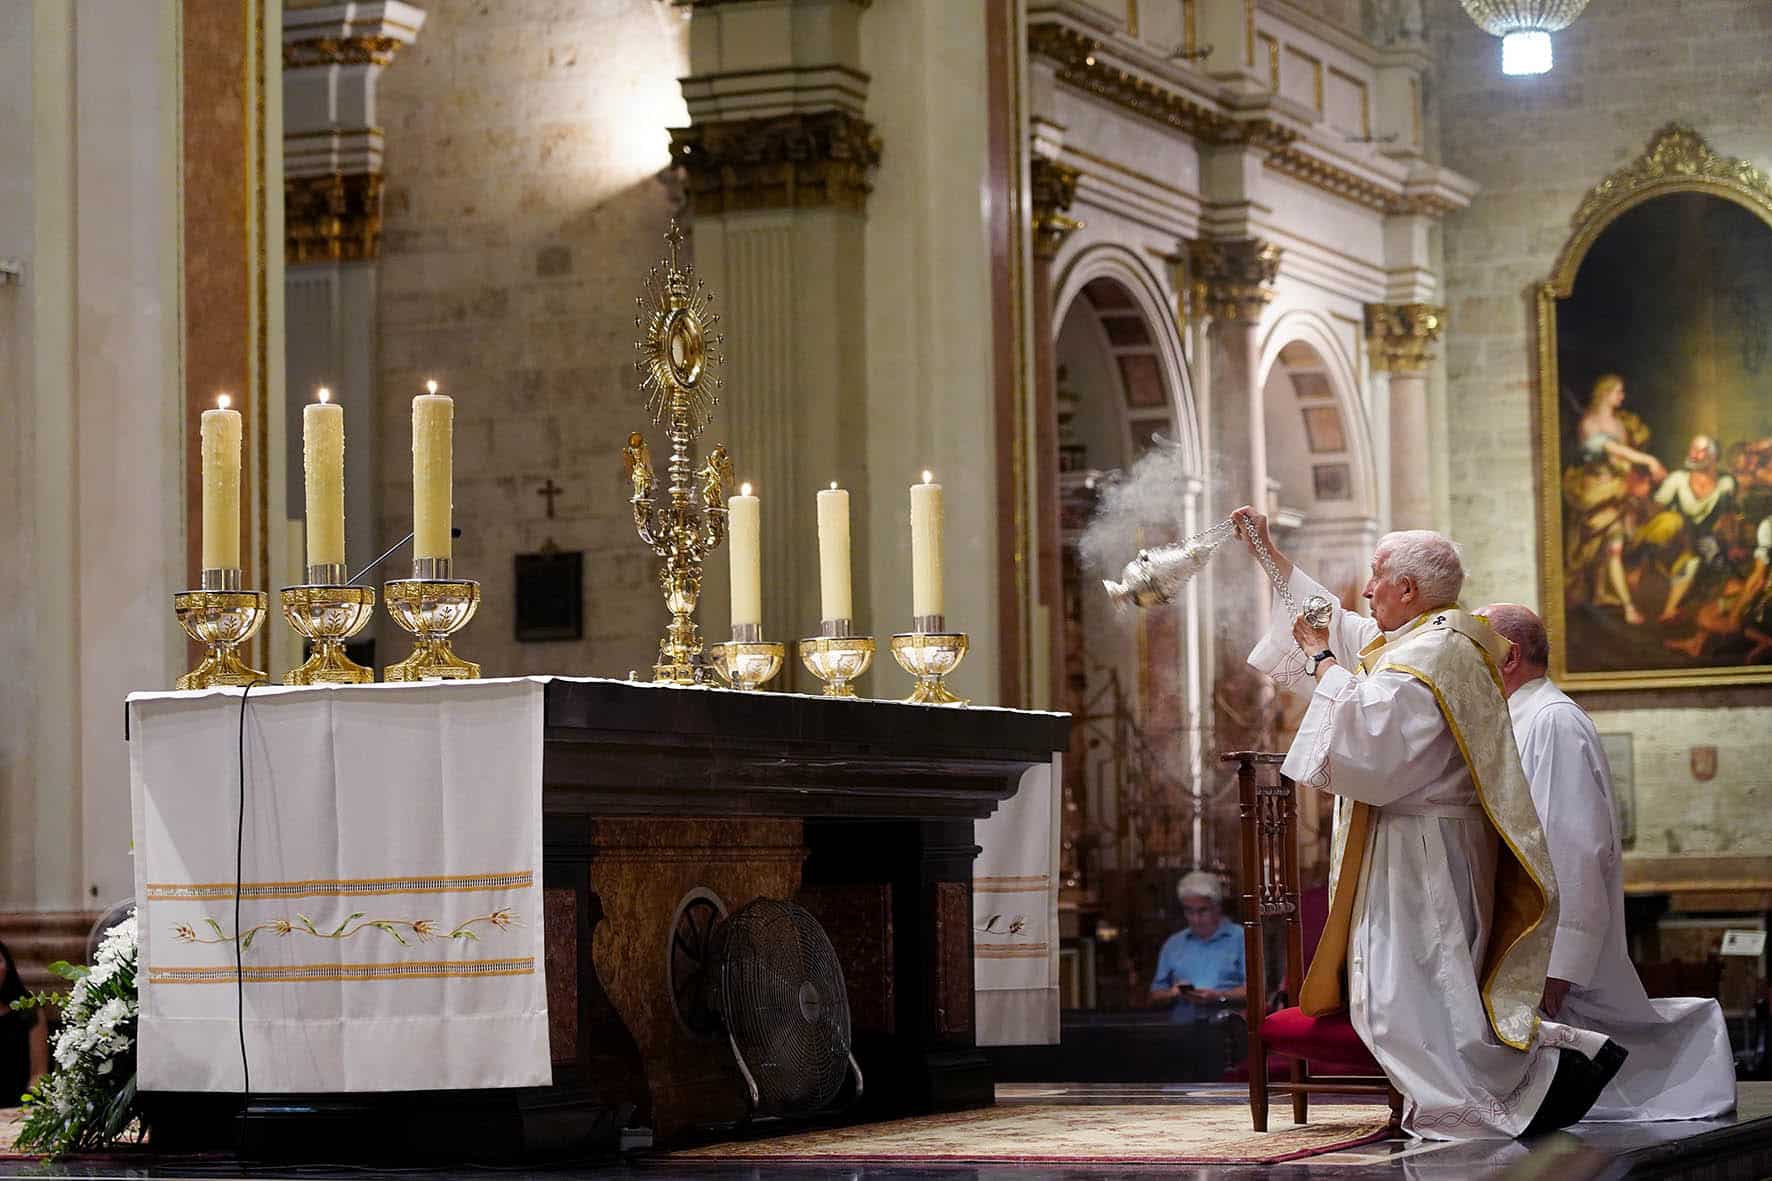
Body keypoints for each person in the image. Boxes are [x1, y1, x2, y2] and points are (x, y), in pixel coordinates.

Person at [1234, 506, 1625, 1140]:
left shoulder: (1436, 654)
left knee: (1411, 997)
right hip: (1415, 846)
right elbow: (1330, 621)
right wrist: (1268, 555)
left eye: (1376, 577)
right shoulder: (1427, 641)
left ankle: (1500, 1094)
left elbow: (1372, 743)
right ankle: (1521, 1078)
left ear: (1408, 590)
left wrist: (1321, 665)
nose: (1365, 591)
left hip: (1421, 852)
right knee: (1415, 993)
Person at [1483, 603, 1736, 1122]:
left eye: (1475, 647)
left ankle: (1692, 1069)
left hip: (1550, 946)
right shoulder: (1520, 718)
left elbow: (1573, 845)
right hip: (1526, 933)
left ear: (1509, 656)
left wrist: (1558, 967)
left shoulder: (1552, 722)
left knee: (1600, 1054)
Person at [1562, 375, 1664, 625]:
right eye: (1618, 391)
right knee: (1599, 549)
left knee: (1613, 548)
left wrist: (1637, 482)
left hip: (1619, 492)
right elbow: (1610, 449)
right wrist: (1648, 461)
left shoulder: (1620, 424)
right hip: (1595, 492)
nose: (1622, 396)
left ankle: (1609, 597)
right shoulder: (1589, 423)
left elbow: (1624, 456)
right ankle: (1617, 601)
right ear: (1605, 393)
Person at [1638, 435, 1738, 623]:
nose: (1694, 454)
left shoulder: (1726, 483)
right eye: (1693, 449)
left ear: (1715, 457)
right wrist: (1644, 497)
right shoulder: (1678, 479)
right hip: (1674, 541)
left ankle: (1669, 610)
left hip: (1701, 543)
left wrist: (1732, 544)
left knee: (1697, 562)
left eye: (1702, 450)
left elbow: (1728, 518)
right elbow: (1654, 514)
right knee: (1672, 521)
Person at [1149, 870, 1246, 1024]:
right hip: (1183, 1032)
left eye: (1202, 910)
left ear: (1217, 907)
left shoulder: (1241, 938)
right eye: (1189, 911)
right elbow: (1155, 994)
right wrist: (1173, 993)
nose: (1195, 918)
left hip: (1229, 1029)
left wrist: (1219, 996)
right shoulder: (1174, 944)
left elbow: (1256, 991)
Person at [1, 939, 49, 1106]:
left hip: (20, 1103)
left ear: (7, 965)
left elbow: (39, 1072)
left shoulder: (29, 1010)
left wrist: (30, 1101)